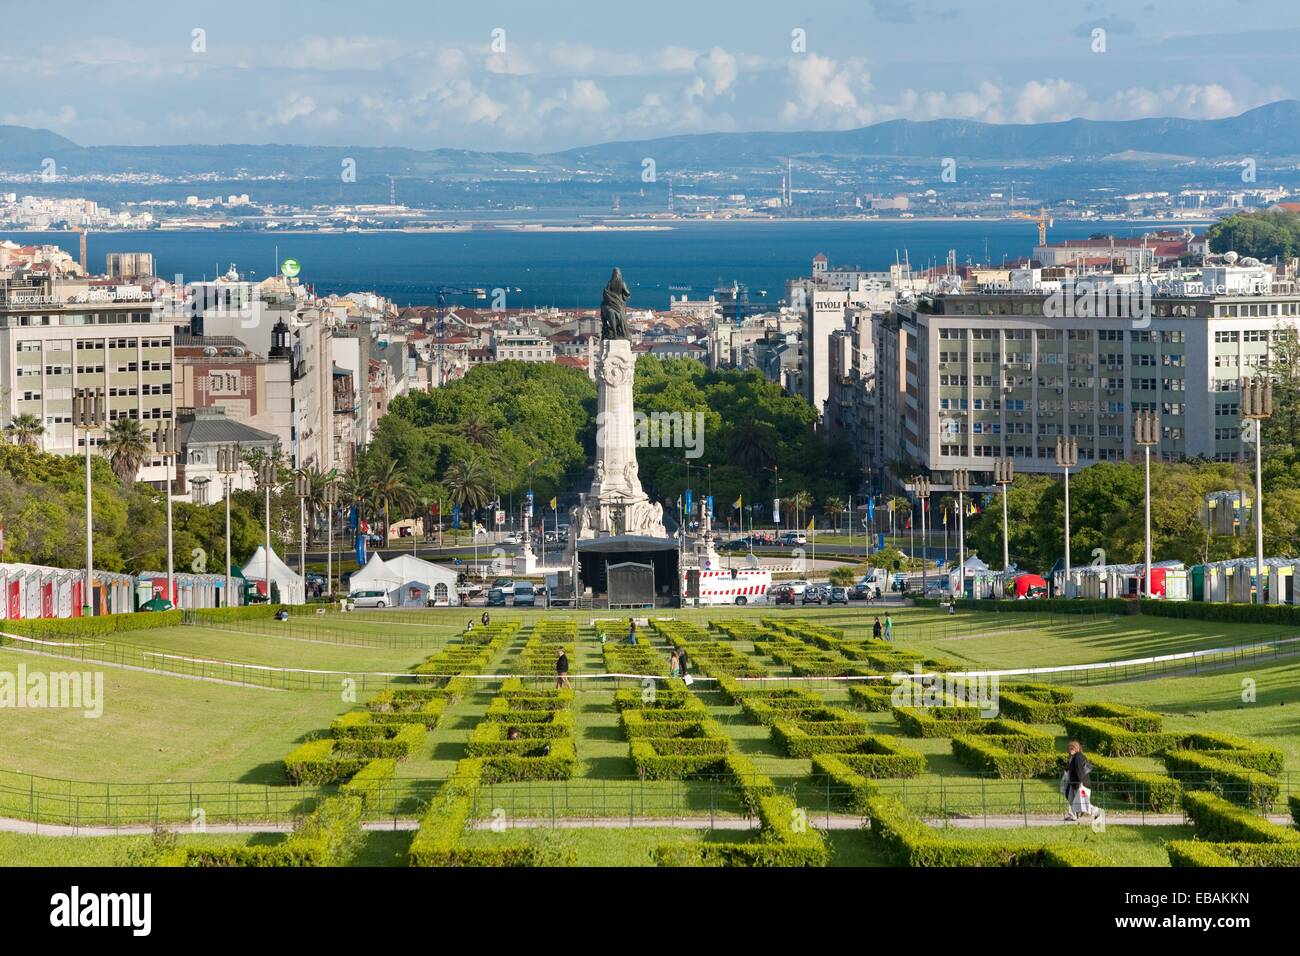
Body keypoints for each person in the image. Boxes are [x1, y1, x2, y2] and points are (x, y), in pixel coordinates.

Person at [1063, 740, 1094, 822]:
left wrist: (1080, 783)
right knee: (1072, 799)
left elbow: (1079, 770)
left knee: (1082, 800)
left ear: (1076, 748)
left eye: (1072, 748)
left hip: (1078, 782)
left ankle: (1094, 811)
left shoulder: (1078, 757)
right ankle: (1073, 815)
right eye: (1069, 748)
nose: (1070, 750)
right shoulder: (1073, 757)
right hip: (1073, 782)